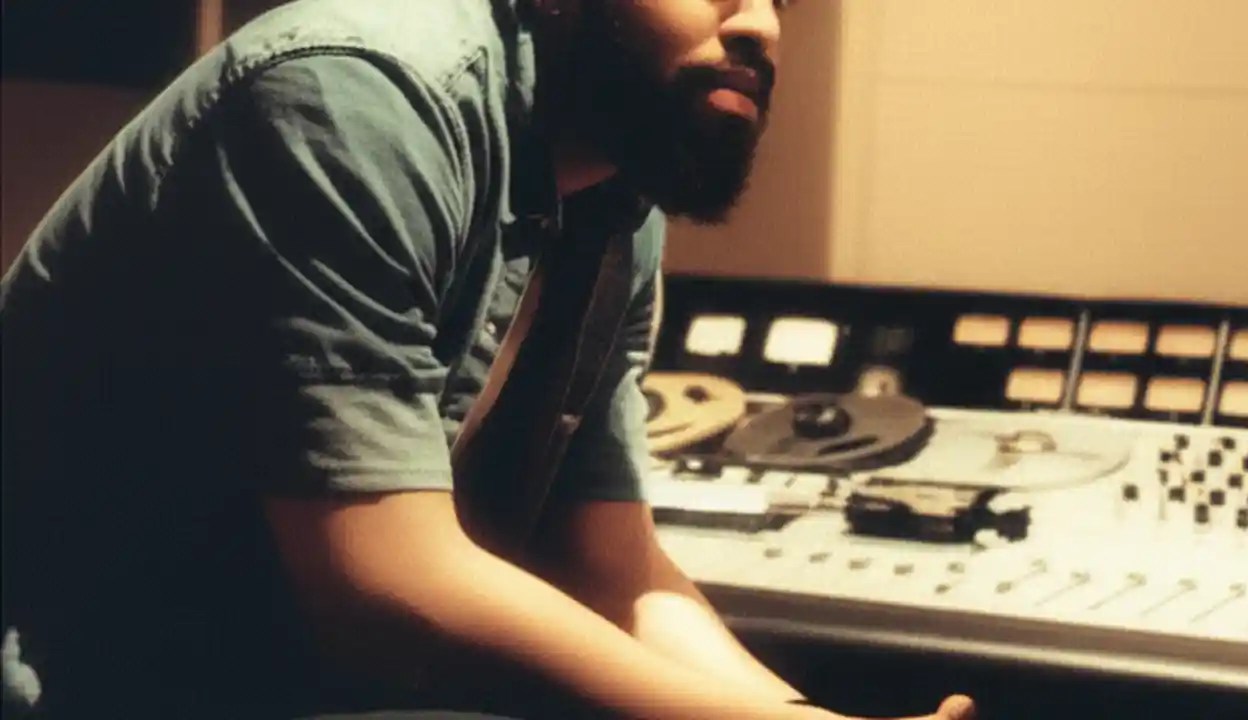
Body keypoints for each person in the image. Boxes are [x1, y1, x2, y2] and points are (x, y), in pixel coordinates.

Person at [0, 1, 976, 719]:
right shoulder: (354, 90)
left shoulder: (613, 203)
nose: (761, 24)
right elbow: (380, 584)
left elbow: (611, 567)